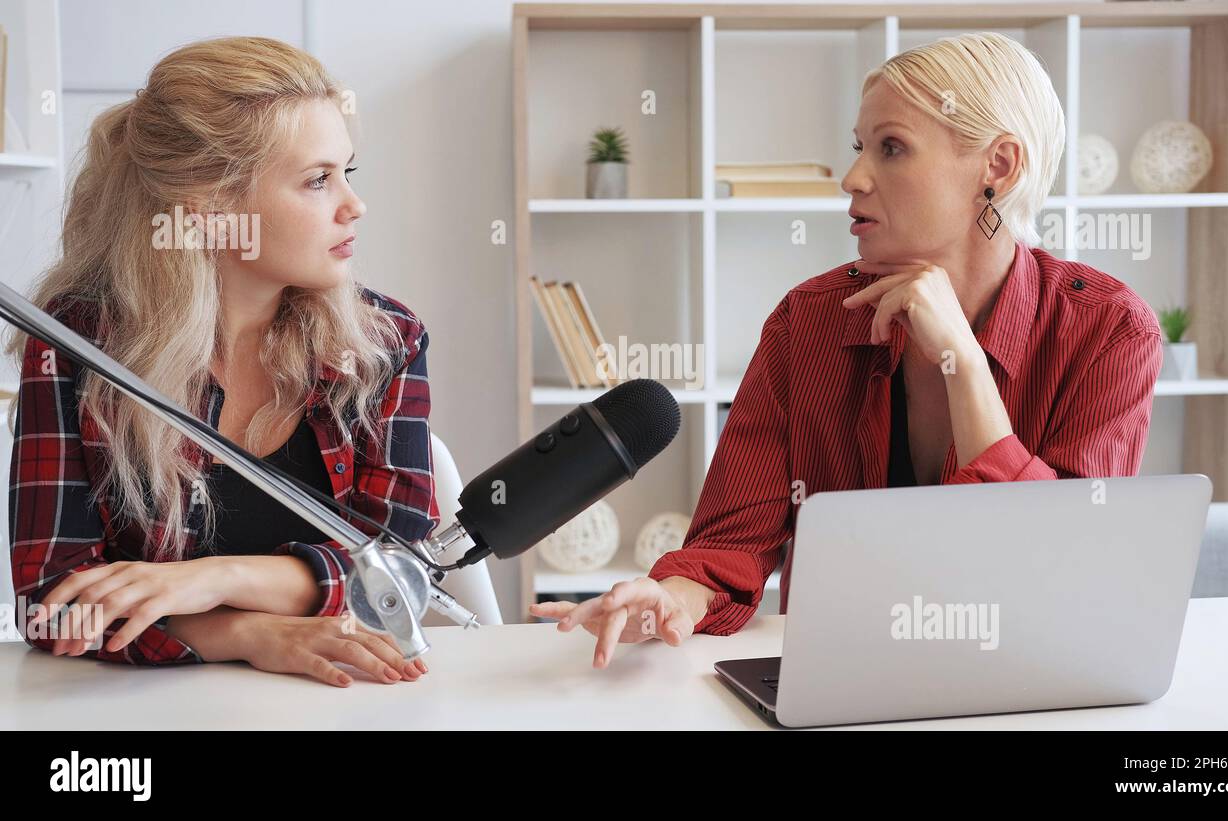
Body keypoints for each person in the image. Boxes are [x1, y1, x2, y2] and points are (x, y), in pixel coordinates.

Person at [533, 32, 1163, 668]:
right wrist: (670, 599)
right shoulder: (808, 322)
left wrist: (966, 367)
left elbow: (1068, 574)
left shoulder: (1109, 330)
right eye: (861, 148)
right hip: (839, 678)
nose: (852, 178)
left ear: (997, 166)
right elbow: (730, 546)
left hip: (1026, 680)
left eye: (892, 148)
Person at [7, 37, 433, 688]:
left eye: (348, 172)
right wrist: (244, 633)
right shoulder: (79, 339)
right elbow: (53, 604)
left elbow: (403, 573)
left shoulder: (385, 341)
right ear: (213, 207)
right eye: (318, 180)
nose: (354, 205)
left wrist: (214, 579)